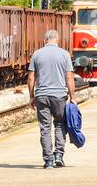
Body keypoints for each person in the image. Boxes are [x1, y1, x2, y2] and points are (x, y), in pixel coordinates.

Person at [28, 29, 76, 169]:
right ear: (57, 39)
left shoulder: (36, 54)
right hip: (59, 96)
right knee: (60, 124)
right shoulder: (64, 54)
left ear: (45, 39)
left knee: (45, 128)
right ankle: (59, 155)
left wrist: (31, 96)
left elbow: (31, 78)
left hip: (41, 96)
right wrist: (72, 97)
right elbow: (69, 77)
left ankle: (48, 160)